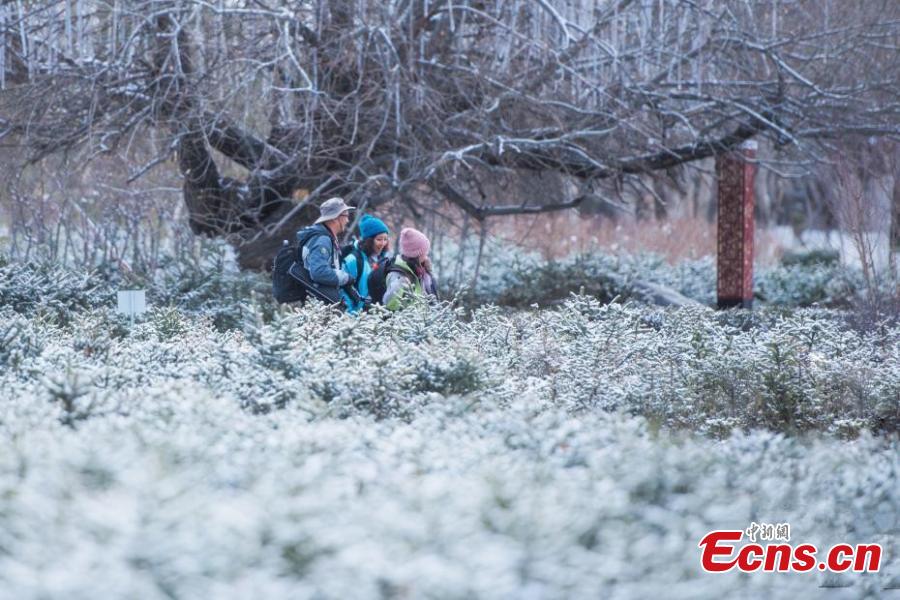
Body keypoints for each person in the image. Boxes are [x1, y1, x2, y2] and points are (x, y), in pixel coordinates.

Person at [289, 197, 358, 305]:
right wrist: (346, 278)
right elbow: (319, 272)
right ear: (335, 218)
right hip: (318, 304)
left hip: (318, 300)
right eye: (346, 216)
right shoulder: (323, 240)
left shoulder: (325, 237)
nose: (347, 220)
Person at [342, 214, 390, 313]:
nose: (383, 243)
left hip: (374, 314)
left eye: (385, 239)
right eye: (379, 239)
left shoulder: (382, 260)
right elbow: (344, 290)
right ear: (369, 240)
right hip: (356, 315)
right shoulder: (353, 260)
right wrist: (350, 314)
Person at [383, 227, 438, 311]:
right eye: (424, 253)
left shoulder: (420, 270)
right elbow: (390, 305)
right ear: (416, 255)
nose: (426, 256)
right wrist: (400, 284)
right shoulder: (398, 274)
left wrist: (429, 272)